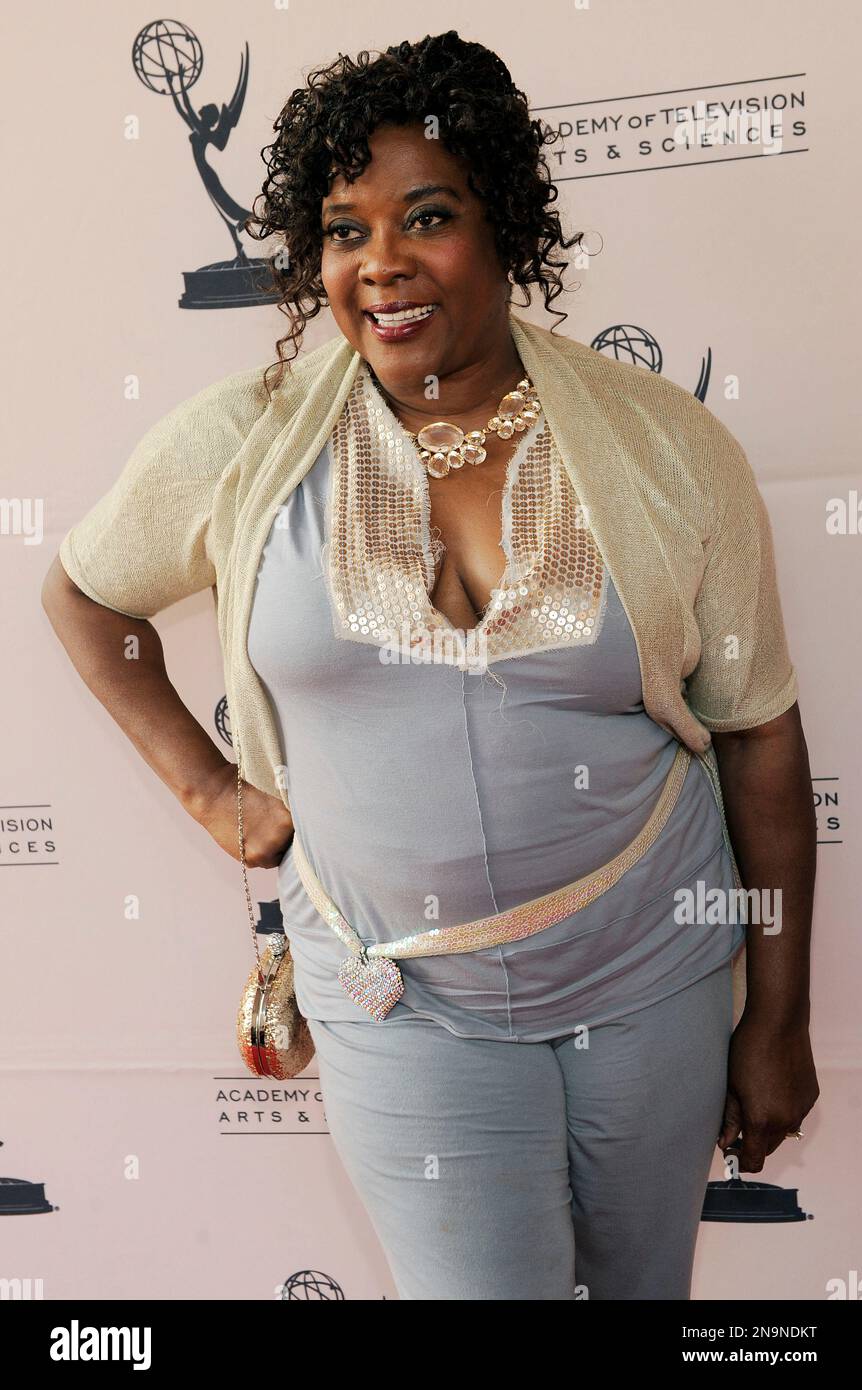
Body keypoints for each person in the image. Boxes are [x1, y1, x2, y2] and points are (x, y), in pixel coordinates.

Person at [42, 30, 819, 1300]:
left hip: (651, 983)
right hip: (407, 1006)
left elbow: (760, 734)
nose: (383, 264)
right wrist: (211, 789)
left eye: (428, 216)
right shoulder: (246, 443)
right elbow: (84, 594)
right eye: (346, 231)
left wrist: (777, 1021)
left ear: (505, 227)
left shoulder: (673, 448)